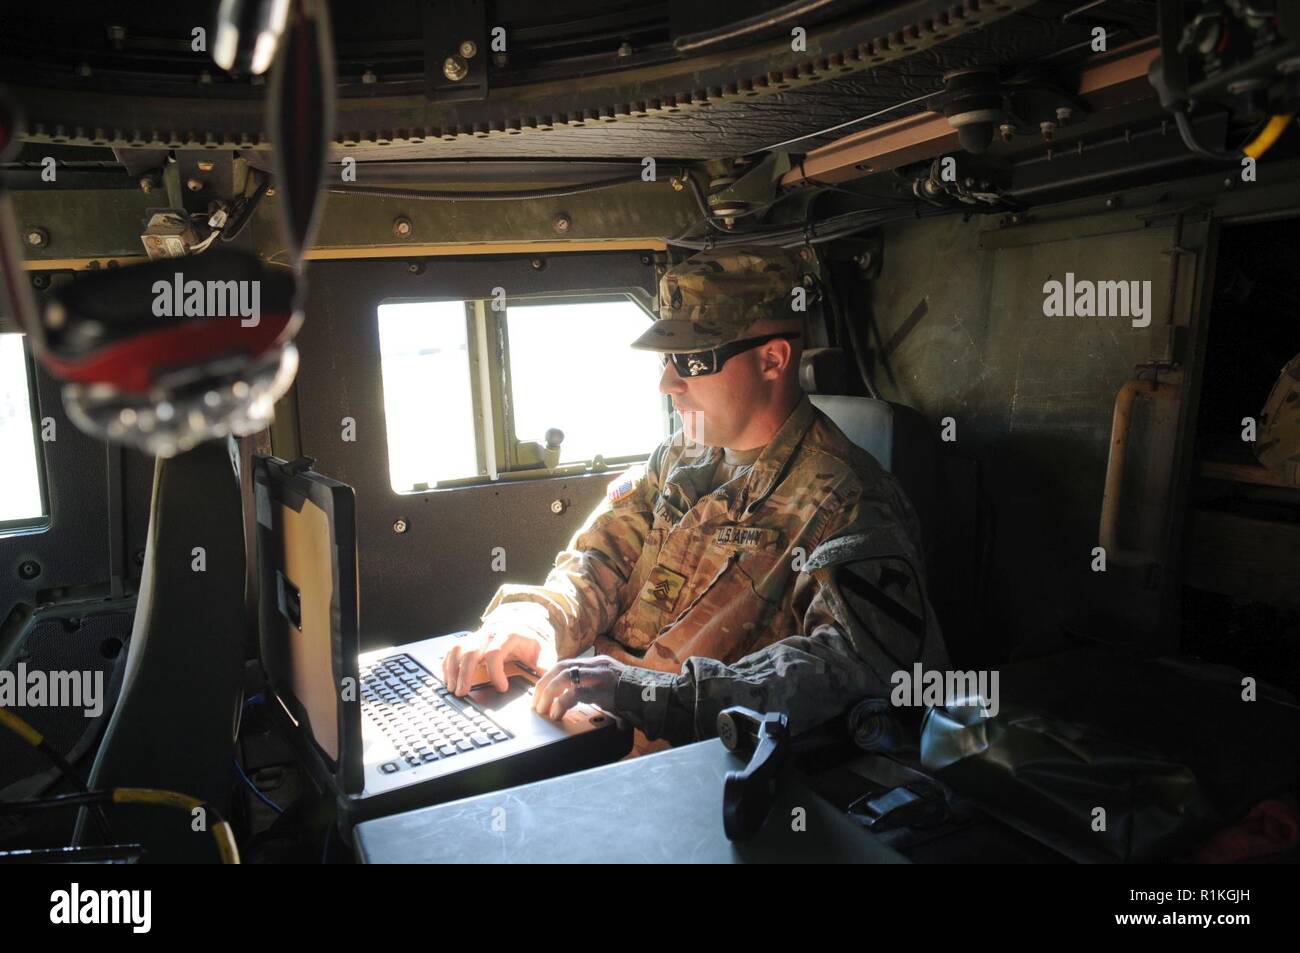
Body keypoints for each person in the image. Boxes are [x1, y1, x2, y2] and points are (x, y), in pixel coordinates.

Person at [443, 245, 950, 755]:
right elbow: (598, 558)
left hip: (685, 762)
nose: (668, 384)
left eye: (691, 360)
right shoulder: (679, 456)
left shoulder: (848, 499)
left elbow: (855, 666)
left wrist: (653, 694)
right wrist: (536, 622)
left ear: (772, 360)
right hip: (591, 728)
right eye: (667, 358)